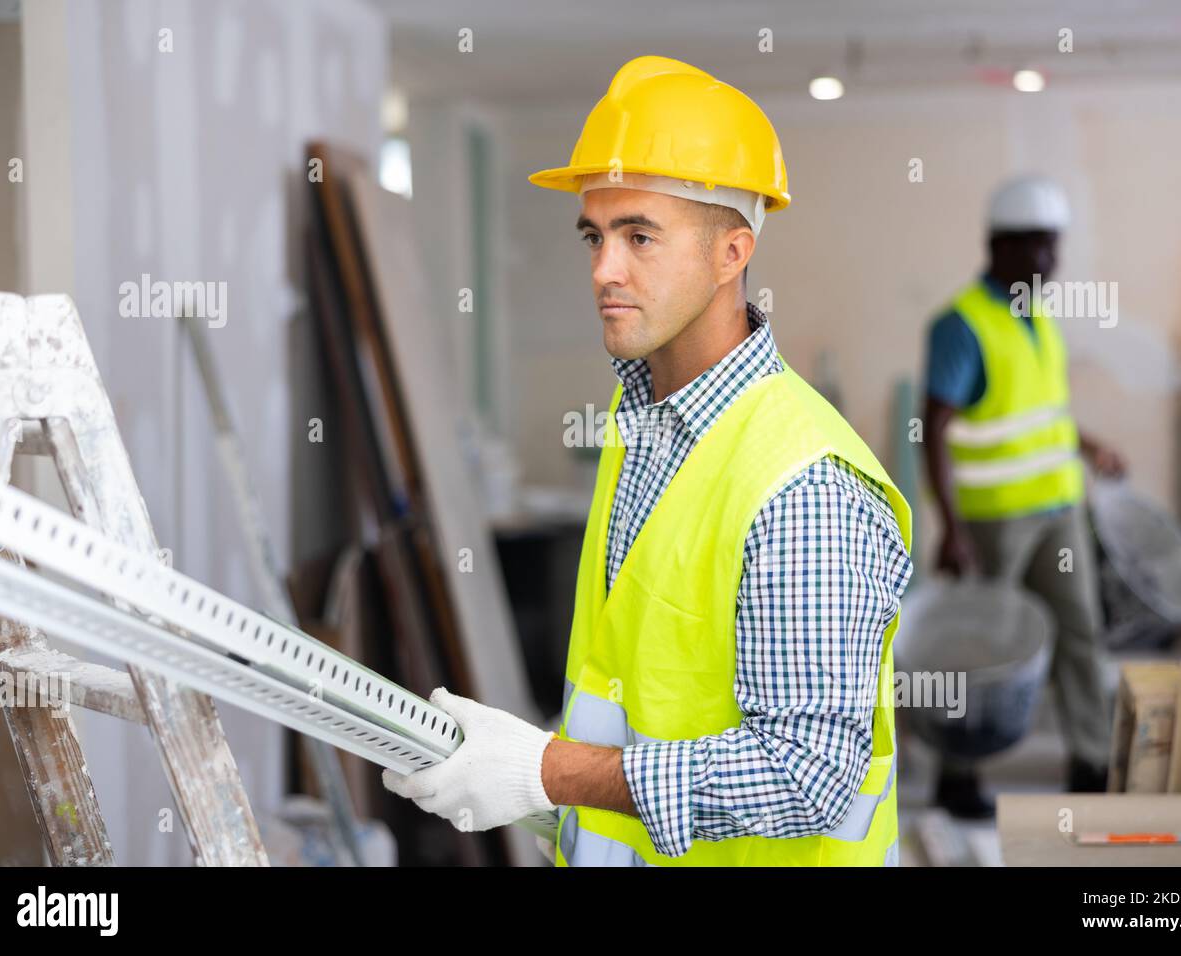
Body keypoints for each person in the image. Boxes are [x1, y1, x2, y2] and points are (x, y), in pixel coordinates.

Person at [384, 55, 912, 866]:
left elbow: (810, 777)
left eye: (640, 236)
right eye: (595, 236)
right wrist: (526, 768)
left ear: (732, 252)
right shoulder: (644, 424)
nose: (603, 270)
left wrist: (545, 770)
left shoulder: (804, 483)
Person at [921, 174, 1125, 819]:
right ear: (999, 247)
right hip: (994, 519)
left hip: (1058, 508)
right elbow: (934, 425)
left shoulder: (1037, 318)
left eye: (1053, 248)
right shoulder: (963, 324)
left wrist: (1087, 446)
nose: (1049, 262)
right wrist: (950, 527)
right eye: (1037, 247)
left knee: (1081, 634)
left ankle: (1091, 765)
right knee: (982, 650)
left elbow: (1041, 412)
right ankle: (959, 775)